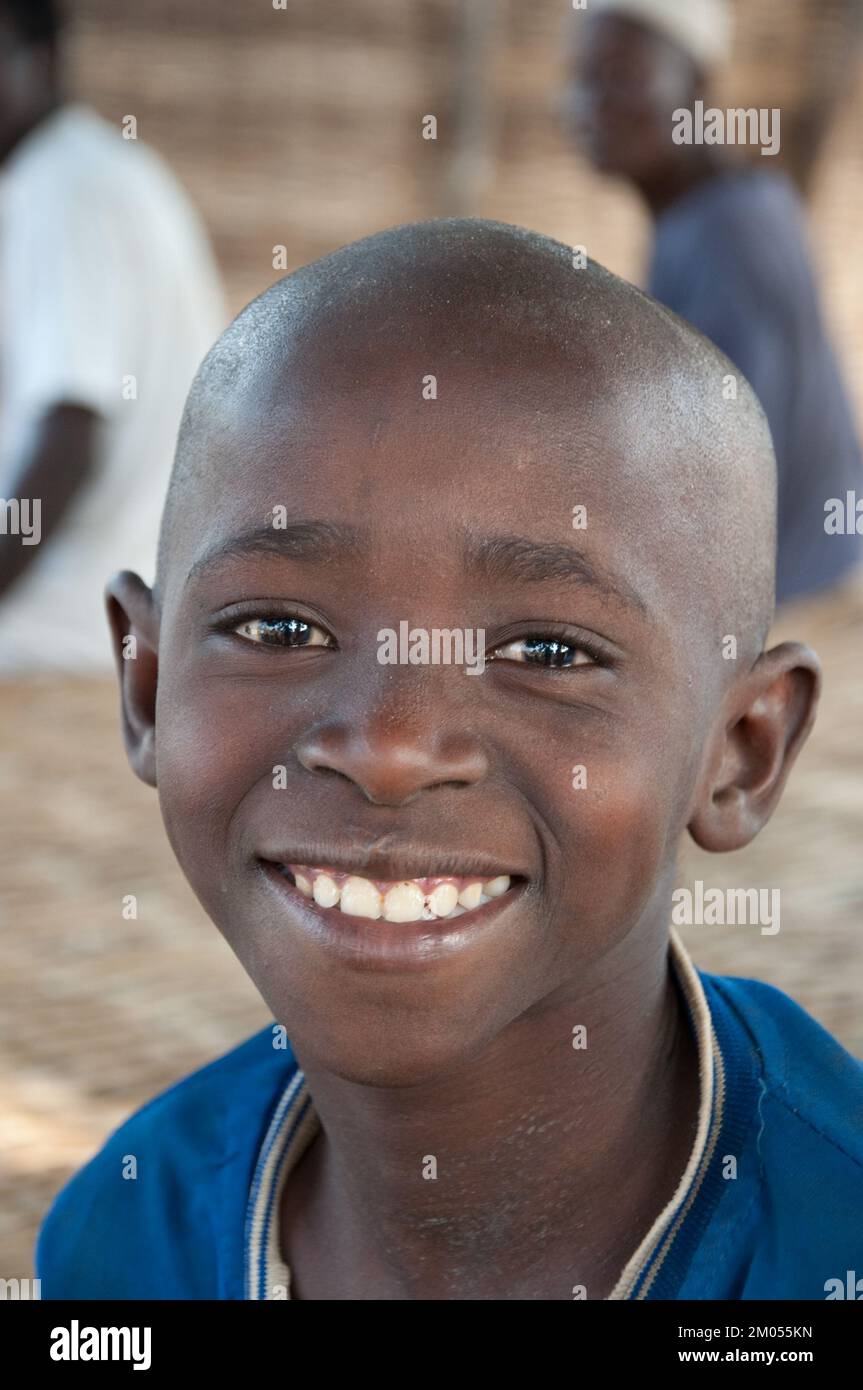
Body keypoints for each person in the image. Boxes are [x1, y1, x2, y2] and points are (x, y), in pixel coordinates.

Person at [34, 220, 863, 1300]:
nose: (386, 747)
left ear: (742, 751)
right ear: (146, 684)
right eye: (279, 629)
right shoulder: (128, 1240)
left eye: (548, 651)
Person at [565, 0, 863, 606]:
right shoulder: (714, 213)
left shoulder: (731, 236)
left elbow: (730, 474)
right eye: (583, 77)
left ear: (697, 87)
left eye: (623, 75)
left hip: (800, 605)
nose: (592, 102)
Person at [0, 0, 225, 671]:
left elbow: (68, 435)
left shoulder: (71, 192)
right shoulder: (71, 176)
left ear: (38, 63)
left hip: (70, 617)